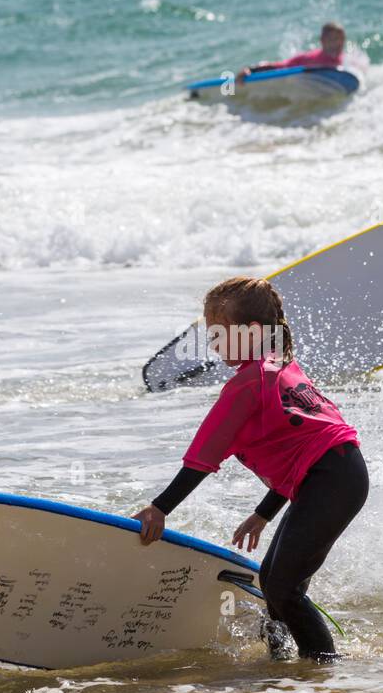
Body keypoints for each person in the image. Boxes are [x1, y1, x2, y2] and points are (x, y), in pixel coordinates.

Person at [133, 276, 368, 662]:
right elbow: (305, 454)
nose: (212, 344)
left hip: (331, 480)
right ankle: (281, 660)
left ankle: (322, 670)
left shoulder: (250, 382)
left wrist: (160, 508)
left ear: (252, 332)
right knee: (275, 582)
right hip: (338, 476)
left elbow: (202, 458)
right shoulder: (280, 368)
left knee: (283, 587)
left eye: (219, 334)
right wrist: (263, 515)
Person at [238, 22, 346, 81]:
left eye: (341, 40)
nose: (338, 44)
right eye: (333, 40)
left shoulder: (345, 60)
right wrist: (251, 69)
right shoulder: (310, 59)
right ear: (322, 41)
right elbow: (279, 66)